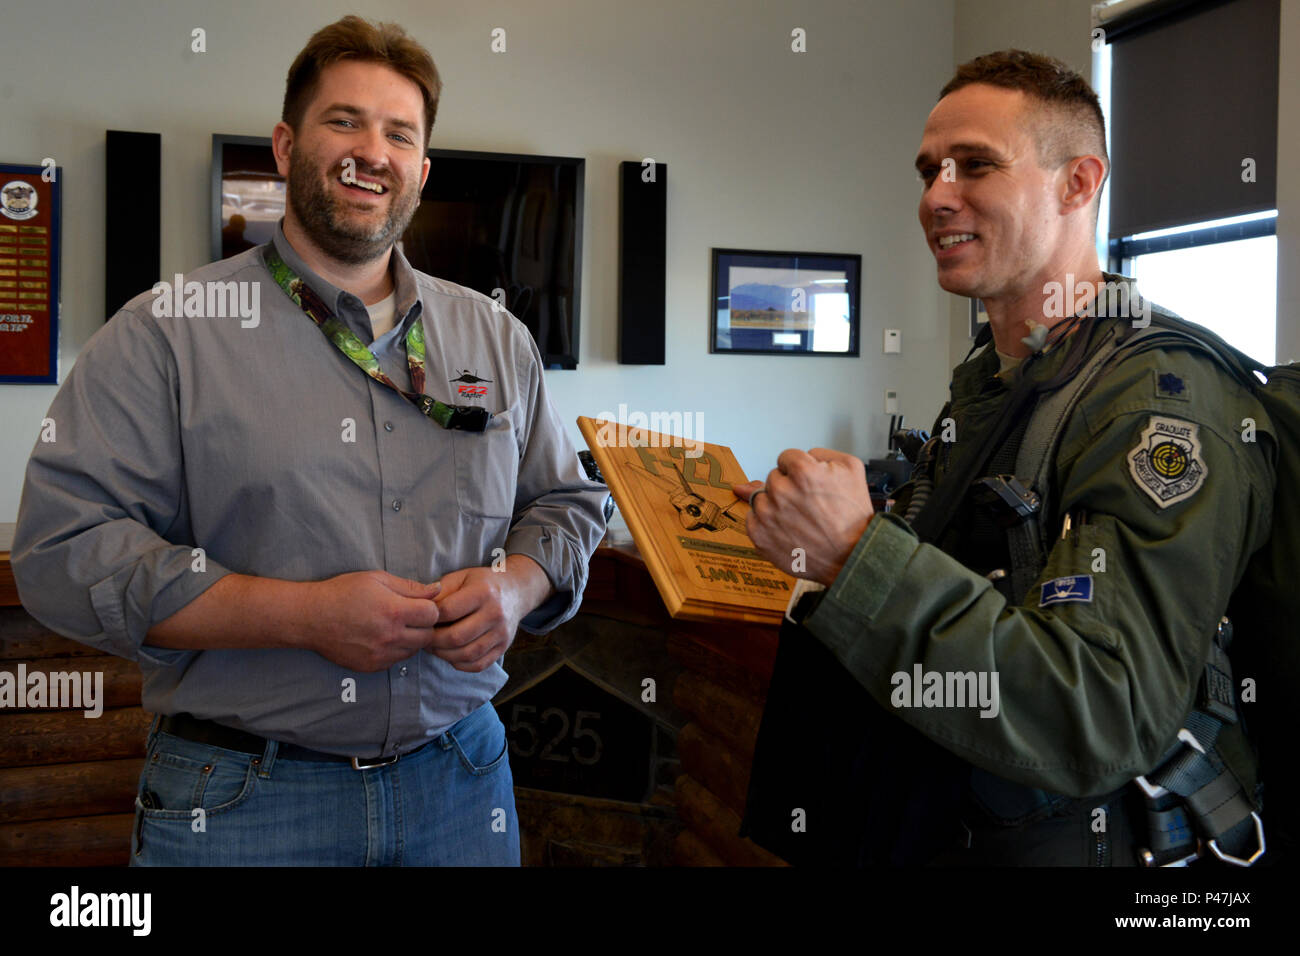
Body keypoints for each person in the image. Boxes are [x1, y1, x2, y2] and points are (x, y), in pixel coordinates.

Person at [11, 15, 606, 866]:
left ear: (423, 171)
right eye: (344, 121)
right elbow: (60, 551)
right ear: (287, 147)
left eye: (400, 133)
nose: (374, 149)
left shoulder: (498, 338)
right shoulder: (165, 332)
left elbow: (568, 502)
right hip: (244, 801)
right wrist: (302, 617)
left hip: (463, 782)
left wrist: (518, 586)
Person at [735, 50, 1275, 865]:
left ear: (1078, 183)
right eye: (928, 172)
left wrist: (856, 553)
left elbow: (1102, 713)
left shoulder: (1158, 403)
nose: (935, 198)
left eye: (976, 166)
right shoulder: (1000, 376)